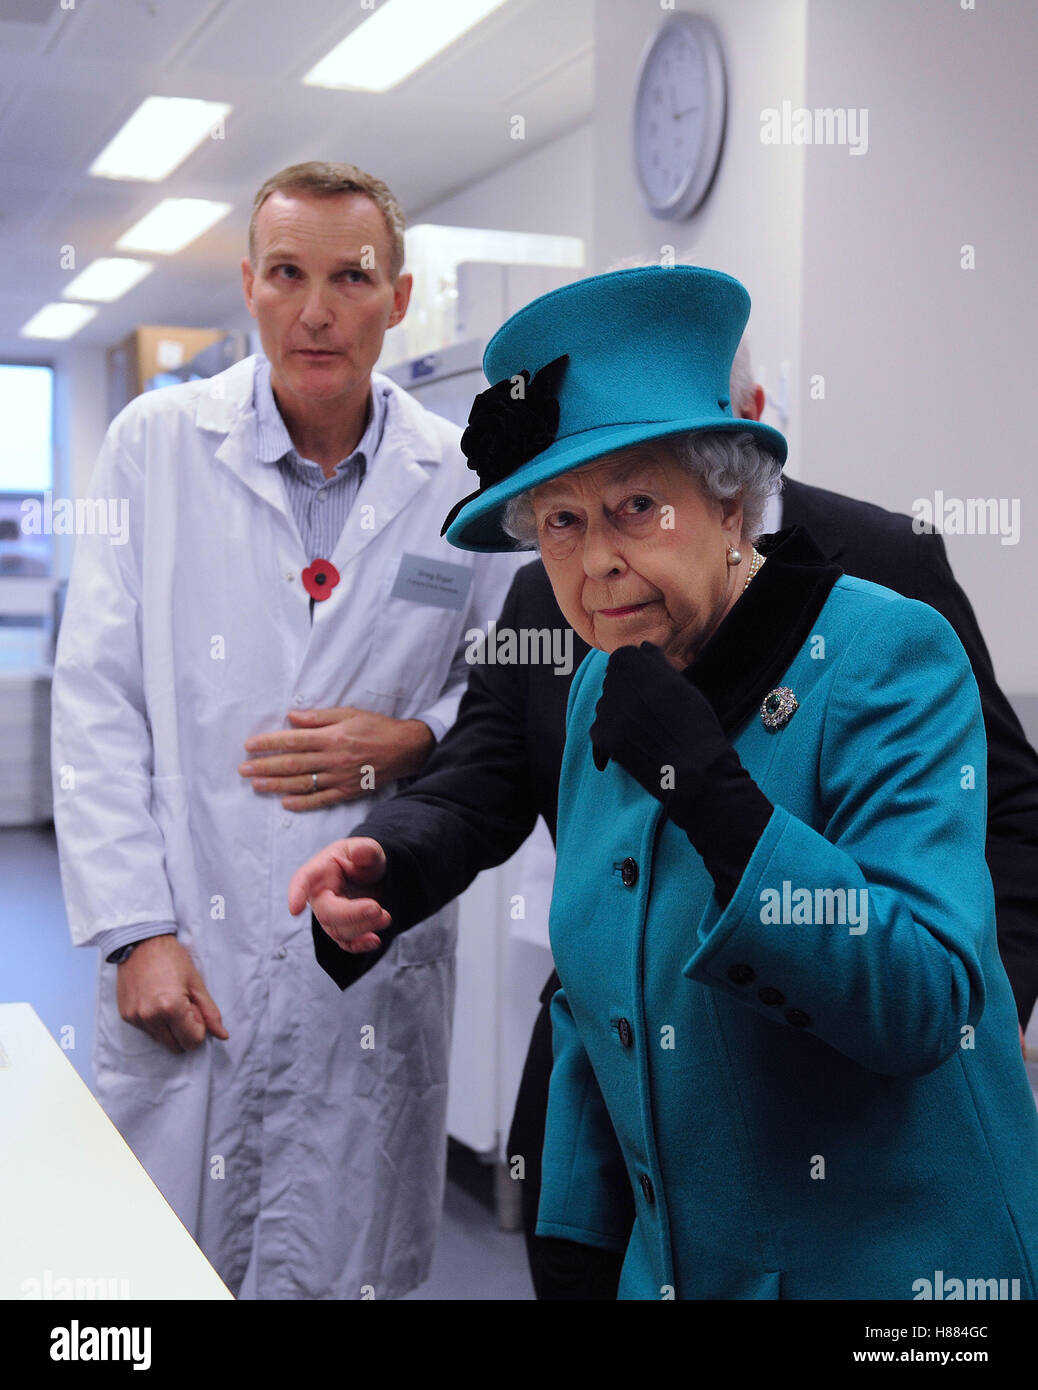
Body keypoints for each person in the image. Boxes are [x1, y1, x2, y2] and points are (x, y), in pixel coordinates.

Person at [297, 265, 1038, 1299]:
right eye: (559, 522)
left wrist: (713, 789)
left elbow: (920, 998)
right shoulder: (604, 669)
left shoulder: (882, 648)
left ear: (731, 499)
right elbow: (603, 978)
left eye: (636, 506)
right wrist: (580, 1235)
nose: (595, 560)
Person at [50, 161, 518, 1300]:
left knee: (340, 1264)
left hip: (364, 944)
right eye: (290, 274)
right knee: (158, 1280)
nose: (319, 310)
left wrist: (410, 740)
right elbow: (97, 698)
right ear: (249, 286)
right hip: (186, 941)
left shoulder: (465, 477)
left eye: (352, 277)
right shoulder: (156, 447)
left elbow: (507, 689)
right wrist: (134, 932)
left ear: (397, 297)